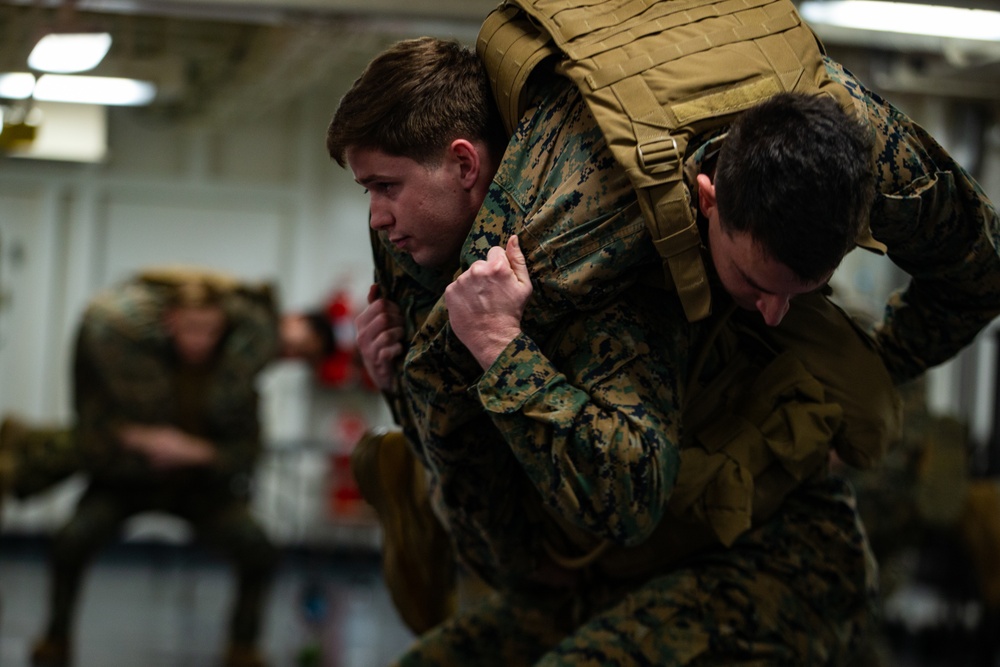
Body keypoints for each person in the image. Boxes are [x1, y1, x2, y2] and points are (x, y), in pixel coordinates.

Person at [326, 24, 1000, 666]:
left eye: (800, 289)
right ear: (706, 199)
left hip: (768, 549)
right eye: (754, 280)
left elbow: (981, 270)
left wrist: (869, 372)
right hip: (632, 555)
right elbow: (556, 522)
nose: (773, 313)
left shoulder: (875, 151)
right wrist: (433, 370)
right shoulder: (600, 245)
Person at [16, 267, 336, 667]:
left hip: (197, 488)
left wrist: (193, 452)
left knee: (259, 549)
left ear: (222, 330)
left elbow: (246, 451)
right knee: (71, 539)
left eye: (209, 330)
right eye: (190, 328)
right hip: (128, 482)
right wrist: (136, 437)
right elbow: (94, 424)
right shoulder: (134, 366)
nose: (198, 339)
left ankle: (243, 648)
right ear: (169, 323)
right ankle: (55, 639)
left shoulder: (234, 381)